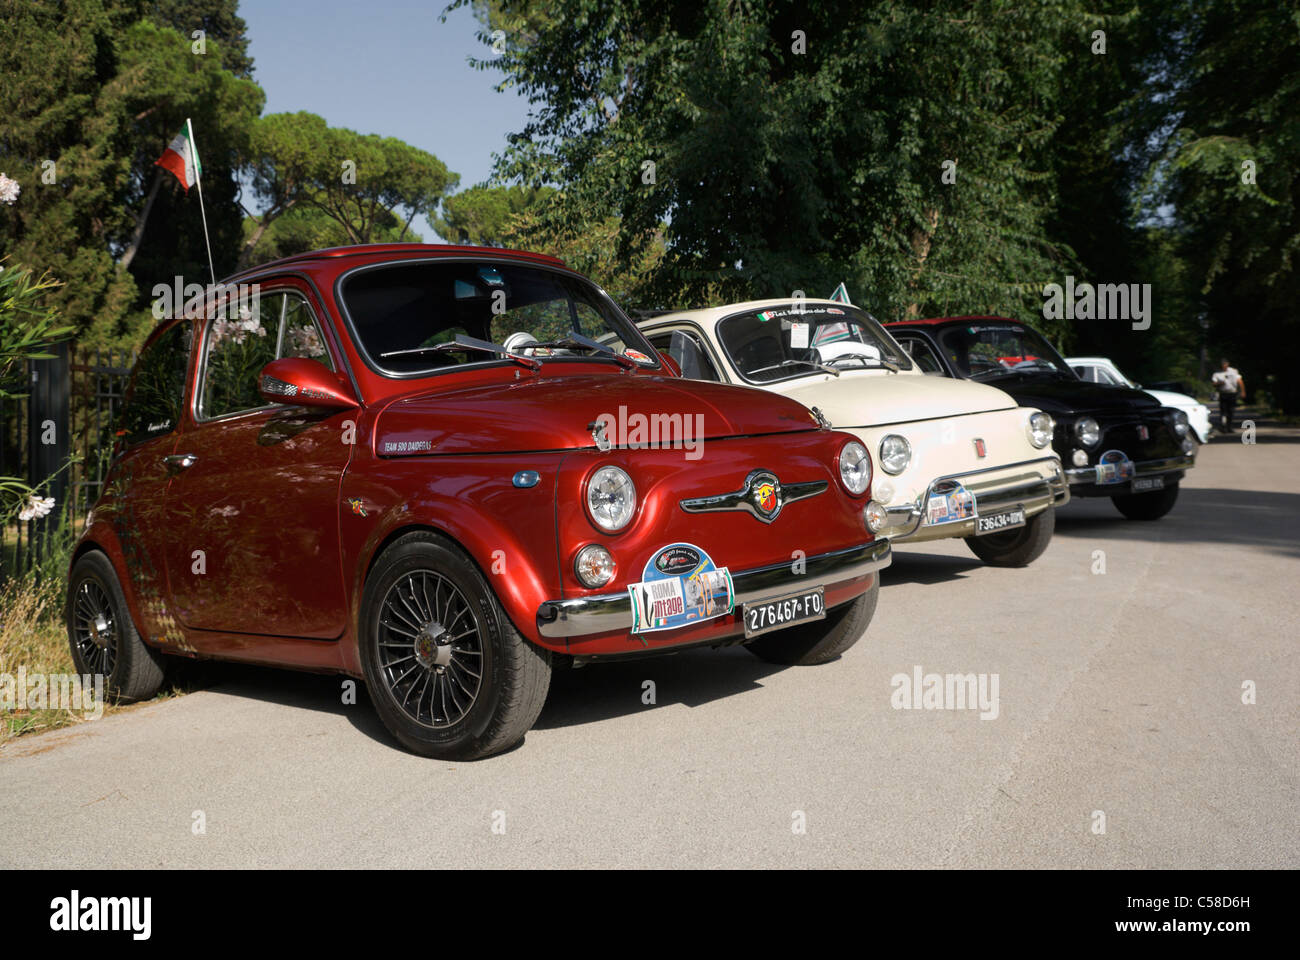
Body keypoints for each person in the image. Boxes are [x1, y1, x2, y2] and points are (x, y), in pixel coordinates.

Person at [1210, 358, 1246, 433]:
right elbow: (1213, 383)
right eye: (1222, 364)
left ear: (1227, 364)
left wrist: (1242, 391)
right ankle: (1223, 427)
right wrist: (1220, 383)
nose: (1224, 366)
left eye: (1225, 364)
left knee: (1231, 411)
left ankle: (1229, 427)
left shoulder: (1233, 371)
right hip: (1223, 393)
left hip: (1232, 393)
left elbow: (1239, 381)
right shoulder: (1217, 373)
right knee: (1223, 411)